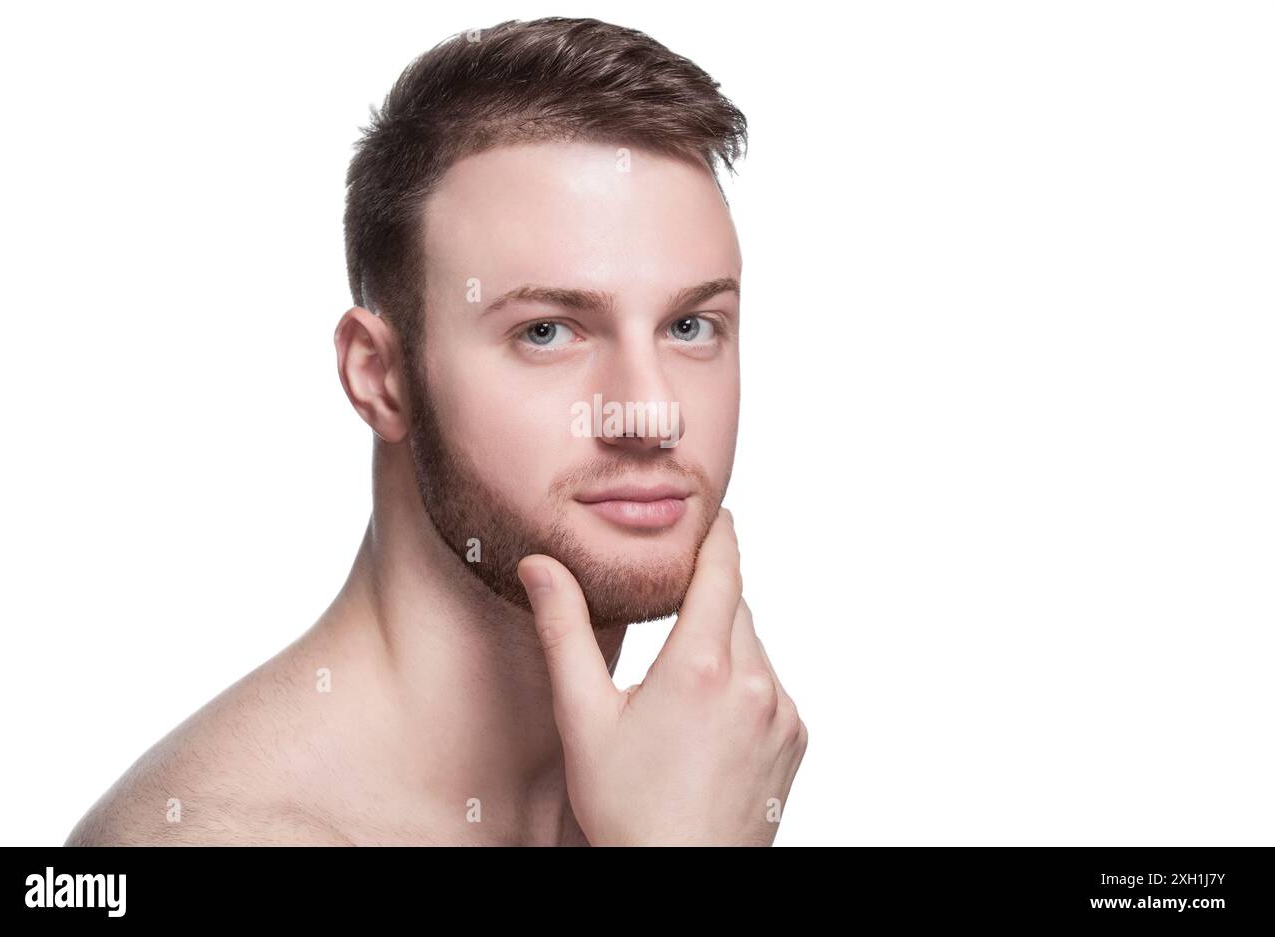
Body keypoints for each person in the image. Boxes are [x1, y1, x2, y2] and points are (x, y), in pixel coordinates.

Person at [66, 15, 806, 847]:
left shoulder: (690, 781)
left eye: (691, 326)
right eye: (547, 331)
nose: (652, 413)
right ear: (378, 375)